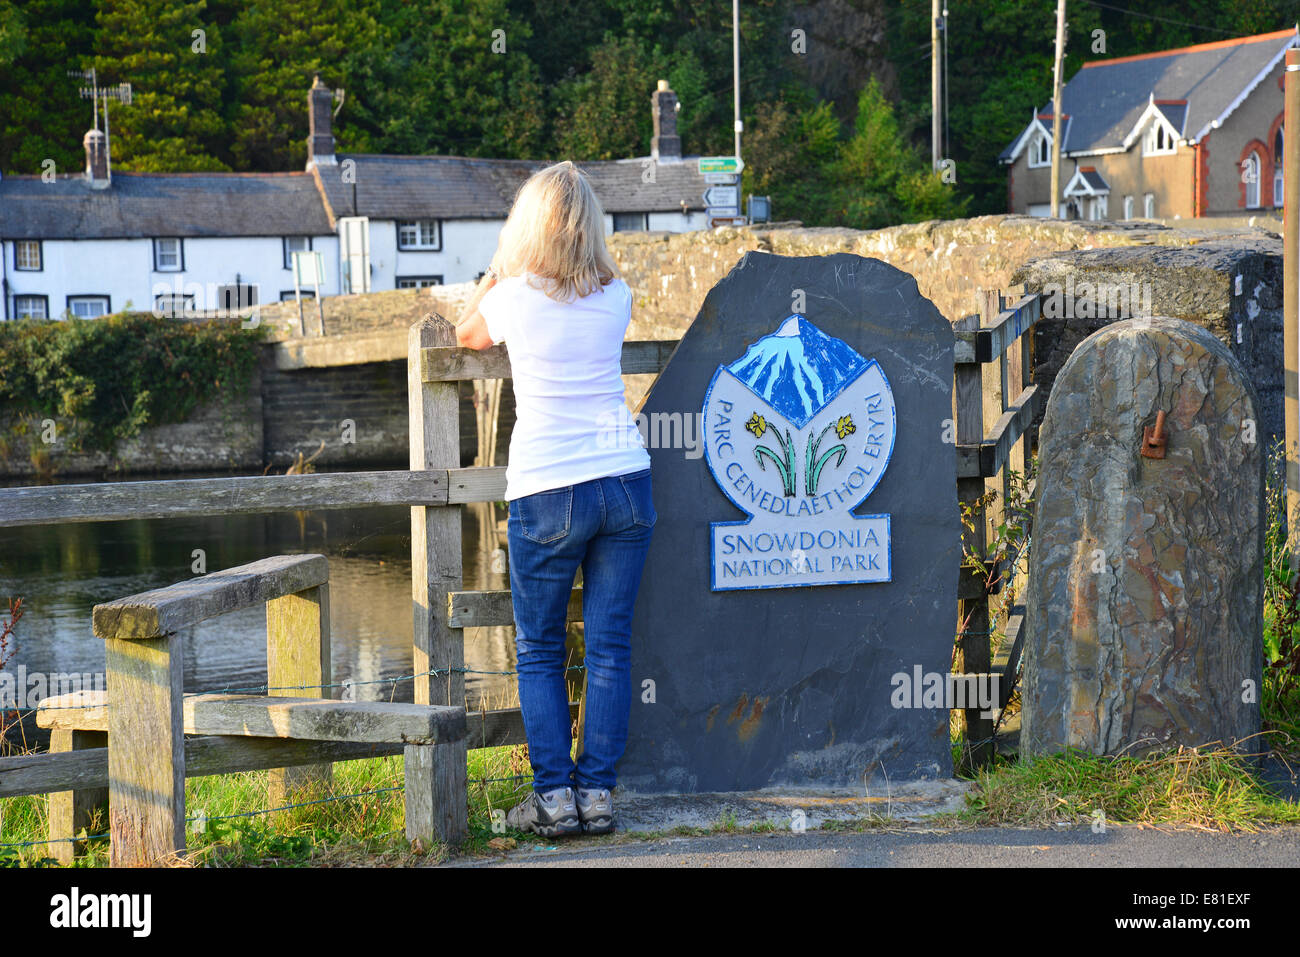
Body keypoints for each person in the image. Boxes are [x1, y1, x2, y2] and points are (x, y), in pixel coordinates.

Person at [454, 160, 655, 836]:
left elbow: (465, 334)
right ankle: (597, 793)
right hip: (625, 480)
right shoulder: (618, 294)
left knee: (540, 650)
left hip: (548, 489)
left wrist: (496, 270)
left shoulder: (511, 296)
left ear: (528, 225)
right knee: (609, 648)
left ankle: (554, 798)